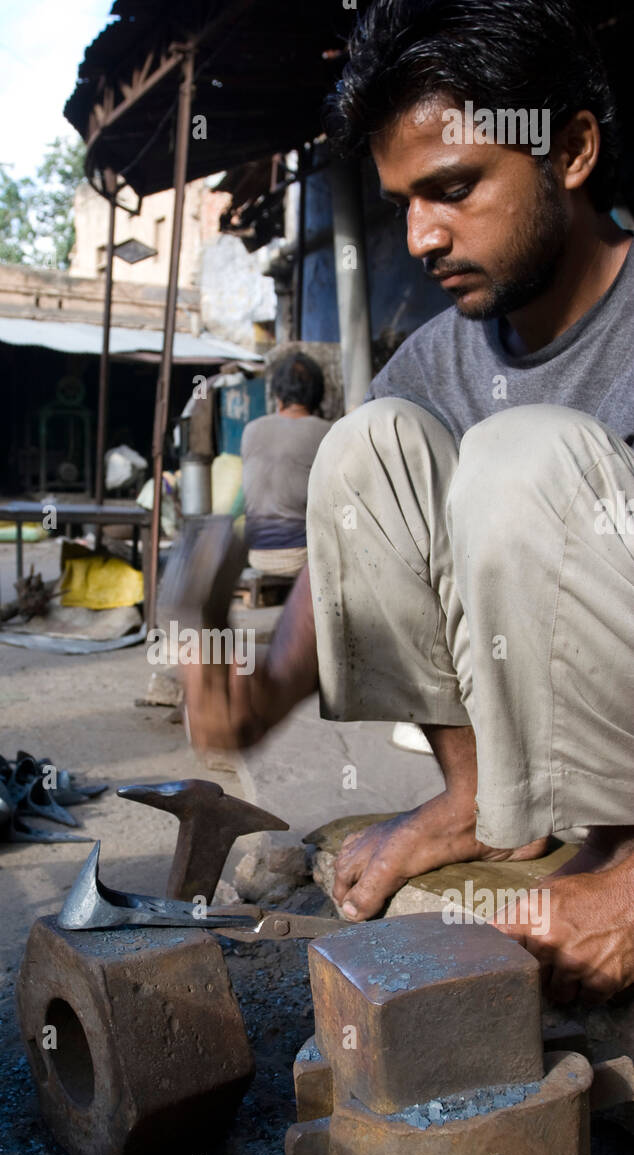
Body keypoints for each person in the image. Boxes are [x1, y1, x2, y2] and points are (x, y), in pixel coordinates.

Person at [183, 0, 634, 1004]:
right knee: (367, 446)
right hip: (534, 751)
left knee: (516, 460)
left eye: (453, 187)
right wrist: (260, 691)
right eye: (402, 205)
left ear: (567, 150)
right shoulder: (439, 354)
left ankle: (616, 850)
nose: (423, 235)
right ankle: (480, 800)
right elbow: (360, 521)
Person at [238, 352, 332, 577]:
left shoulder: (251, 430)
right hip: (302, 555)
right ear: (317, 395)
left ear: (277, 394)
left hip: (257, 553)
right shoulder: (327, 431)